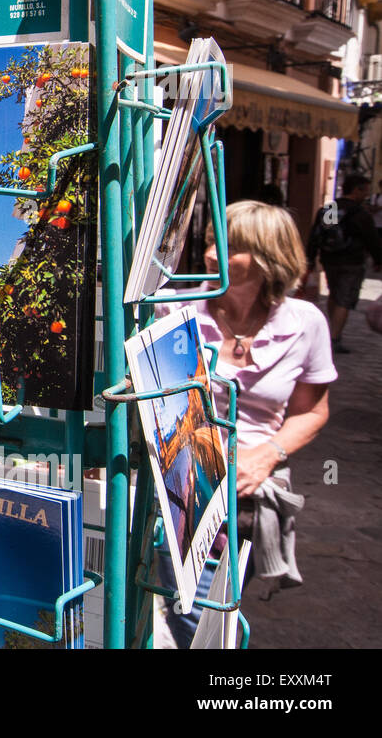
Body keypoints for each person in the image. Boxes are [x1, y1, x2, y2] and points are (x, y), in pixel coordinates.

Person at [160, 200, 335, 646]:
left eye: (231, 245)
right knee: (196, 618)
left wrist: (267, 456)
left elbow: (313, 411)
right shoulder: (176, 312)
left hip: (251, 501)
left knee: (223, 610)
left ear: (269, 258)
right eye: (213, 239)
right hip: (187, 493)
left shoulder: (306, 323)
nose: (213, 253)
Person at [304, 173, 382, 354]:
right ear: (356, 190)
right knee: (344, 299)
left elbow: (320, 234)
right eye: (365, 190)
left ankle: (332, 331)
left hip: (330, 259)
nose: (366, 195)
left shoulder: (331, 208)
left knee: (334, 294)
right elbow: (371, 238)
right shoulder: (359, 212)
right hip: (352, 261)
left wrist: (311, 257)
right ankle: (334, 338)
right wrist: (378, 259)